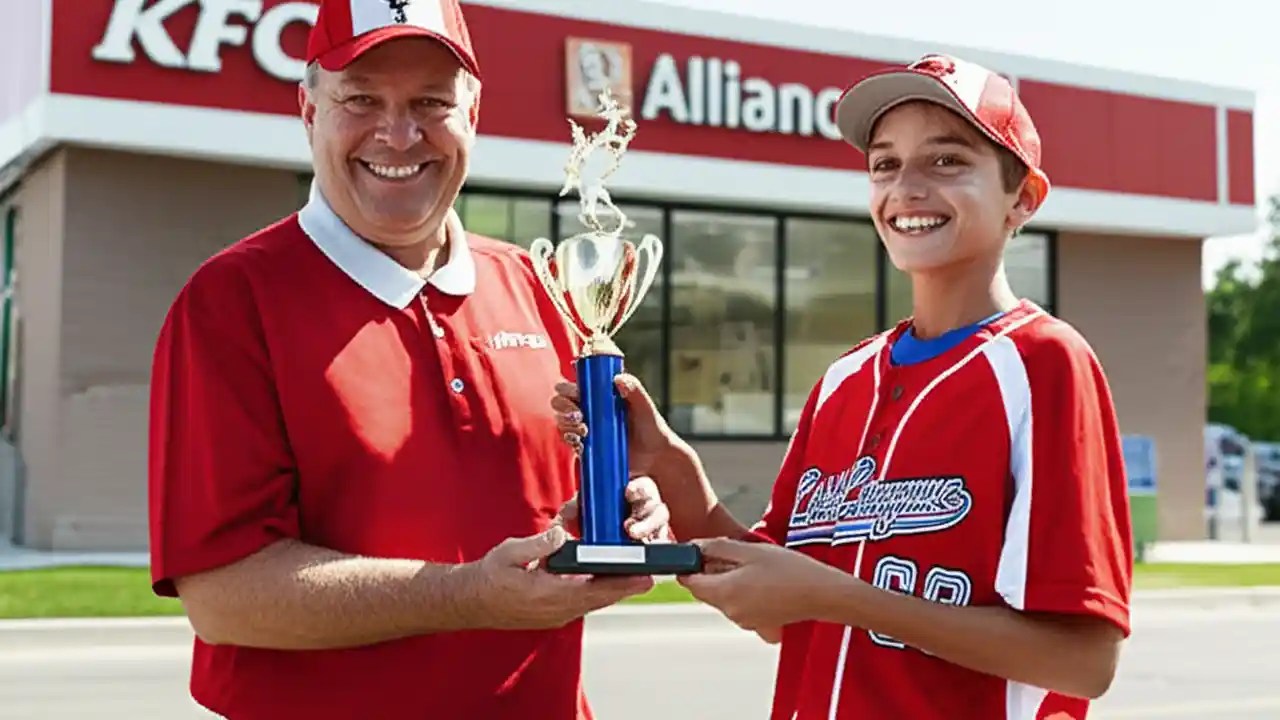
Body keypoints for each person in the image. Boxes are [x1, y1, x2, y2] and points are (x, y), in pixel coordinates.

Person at [554, 53, 1134, 719]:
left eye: (946, 160)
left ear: (1022, 198)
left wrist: (835, 595)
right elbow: (780, 607)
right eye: (885, 163)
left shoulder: (1042, 364)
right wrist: (679, 484)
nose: (907, 187)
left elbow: (1085, 660)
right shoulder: (845, 380)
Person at [146, 1, 669, 718]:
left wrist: (614, 520)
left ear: (474, 115)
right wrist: (468, 595)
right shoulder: (233, 302)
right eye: (361, 99)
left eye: (431, 102)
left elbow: (540, 515)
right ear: (308, 111)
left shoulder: (536, 286)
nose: (399, 133)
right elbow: (224, 597)